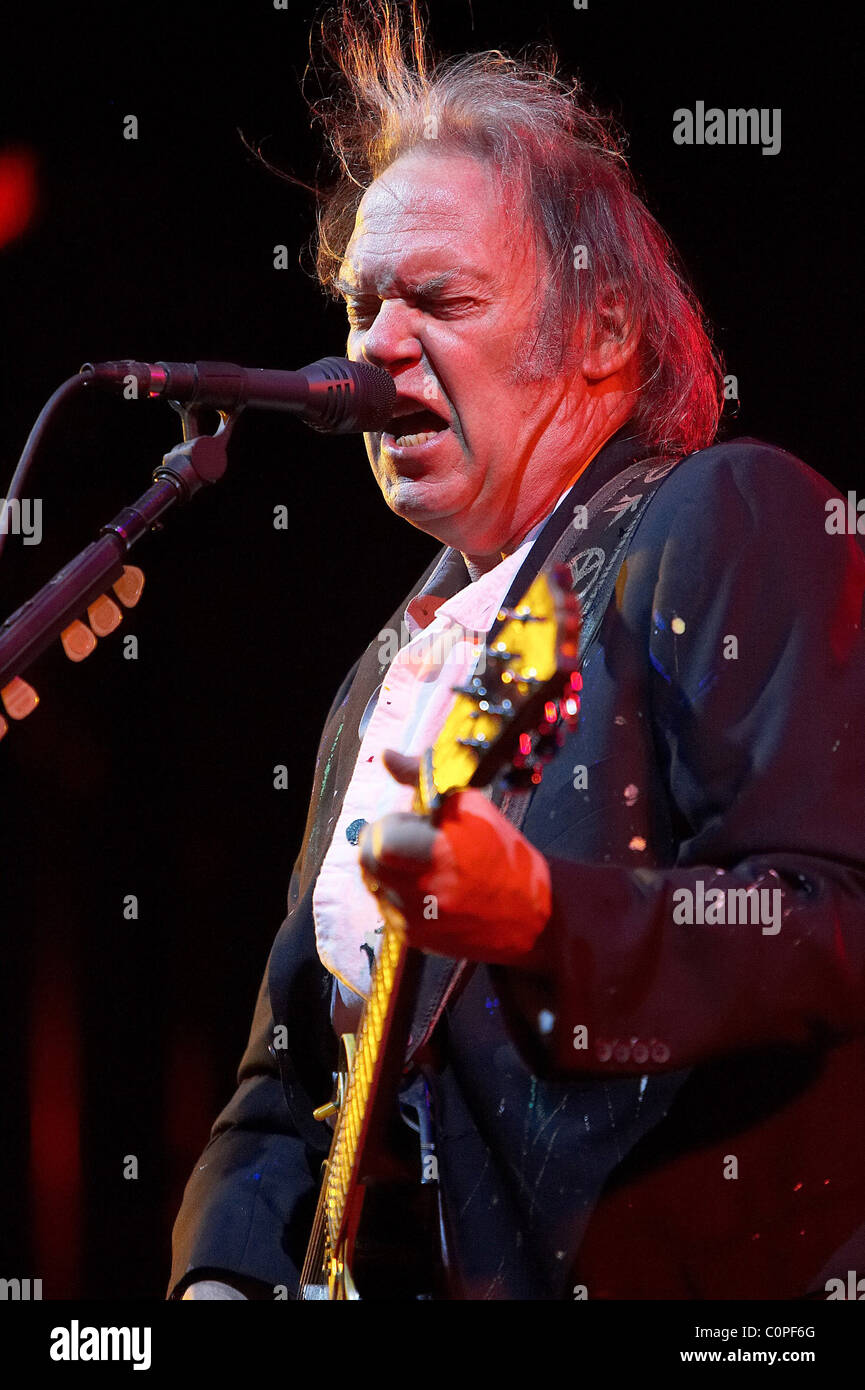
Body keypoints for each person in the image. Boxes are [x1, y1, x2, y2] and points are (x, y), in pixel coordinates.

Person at [169, 2, 865, 1300]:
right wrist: (222, 1277)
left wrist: (547, 918)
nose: (374, 347)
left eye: (436, 298)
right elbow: (289, 1078)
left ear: (601, 332)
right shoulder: (388, 671)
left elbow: (830, 927)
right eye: (360, 303)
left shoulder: (720, 519)